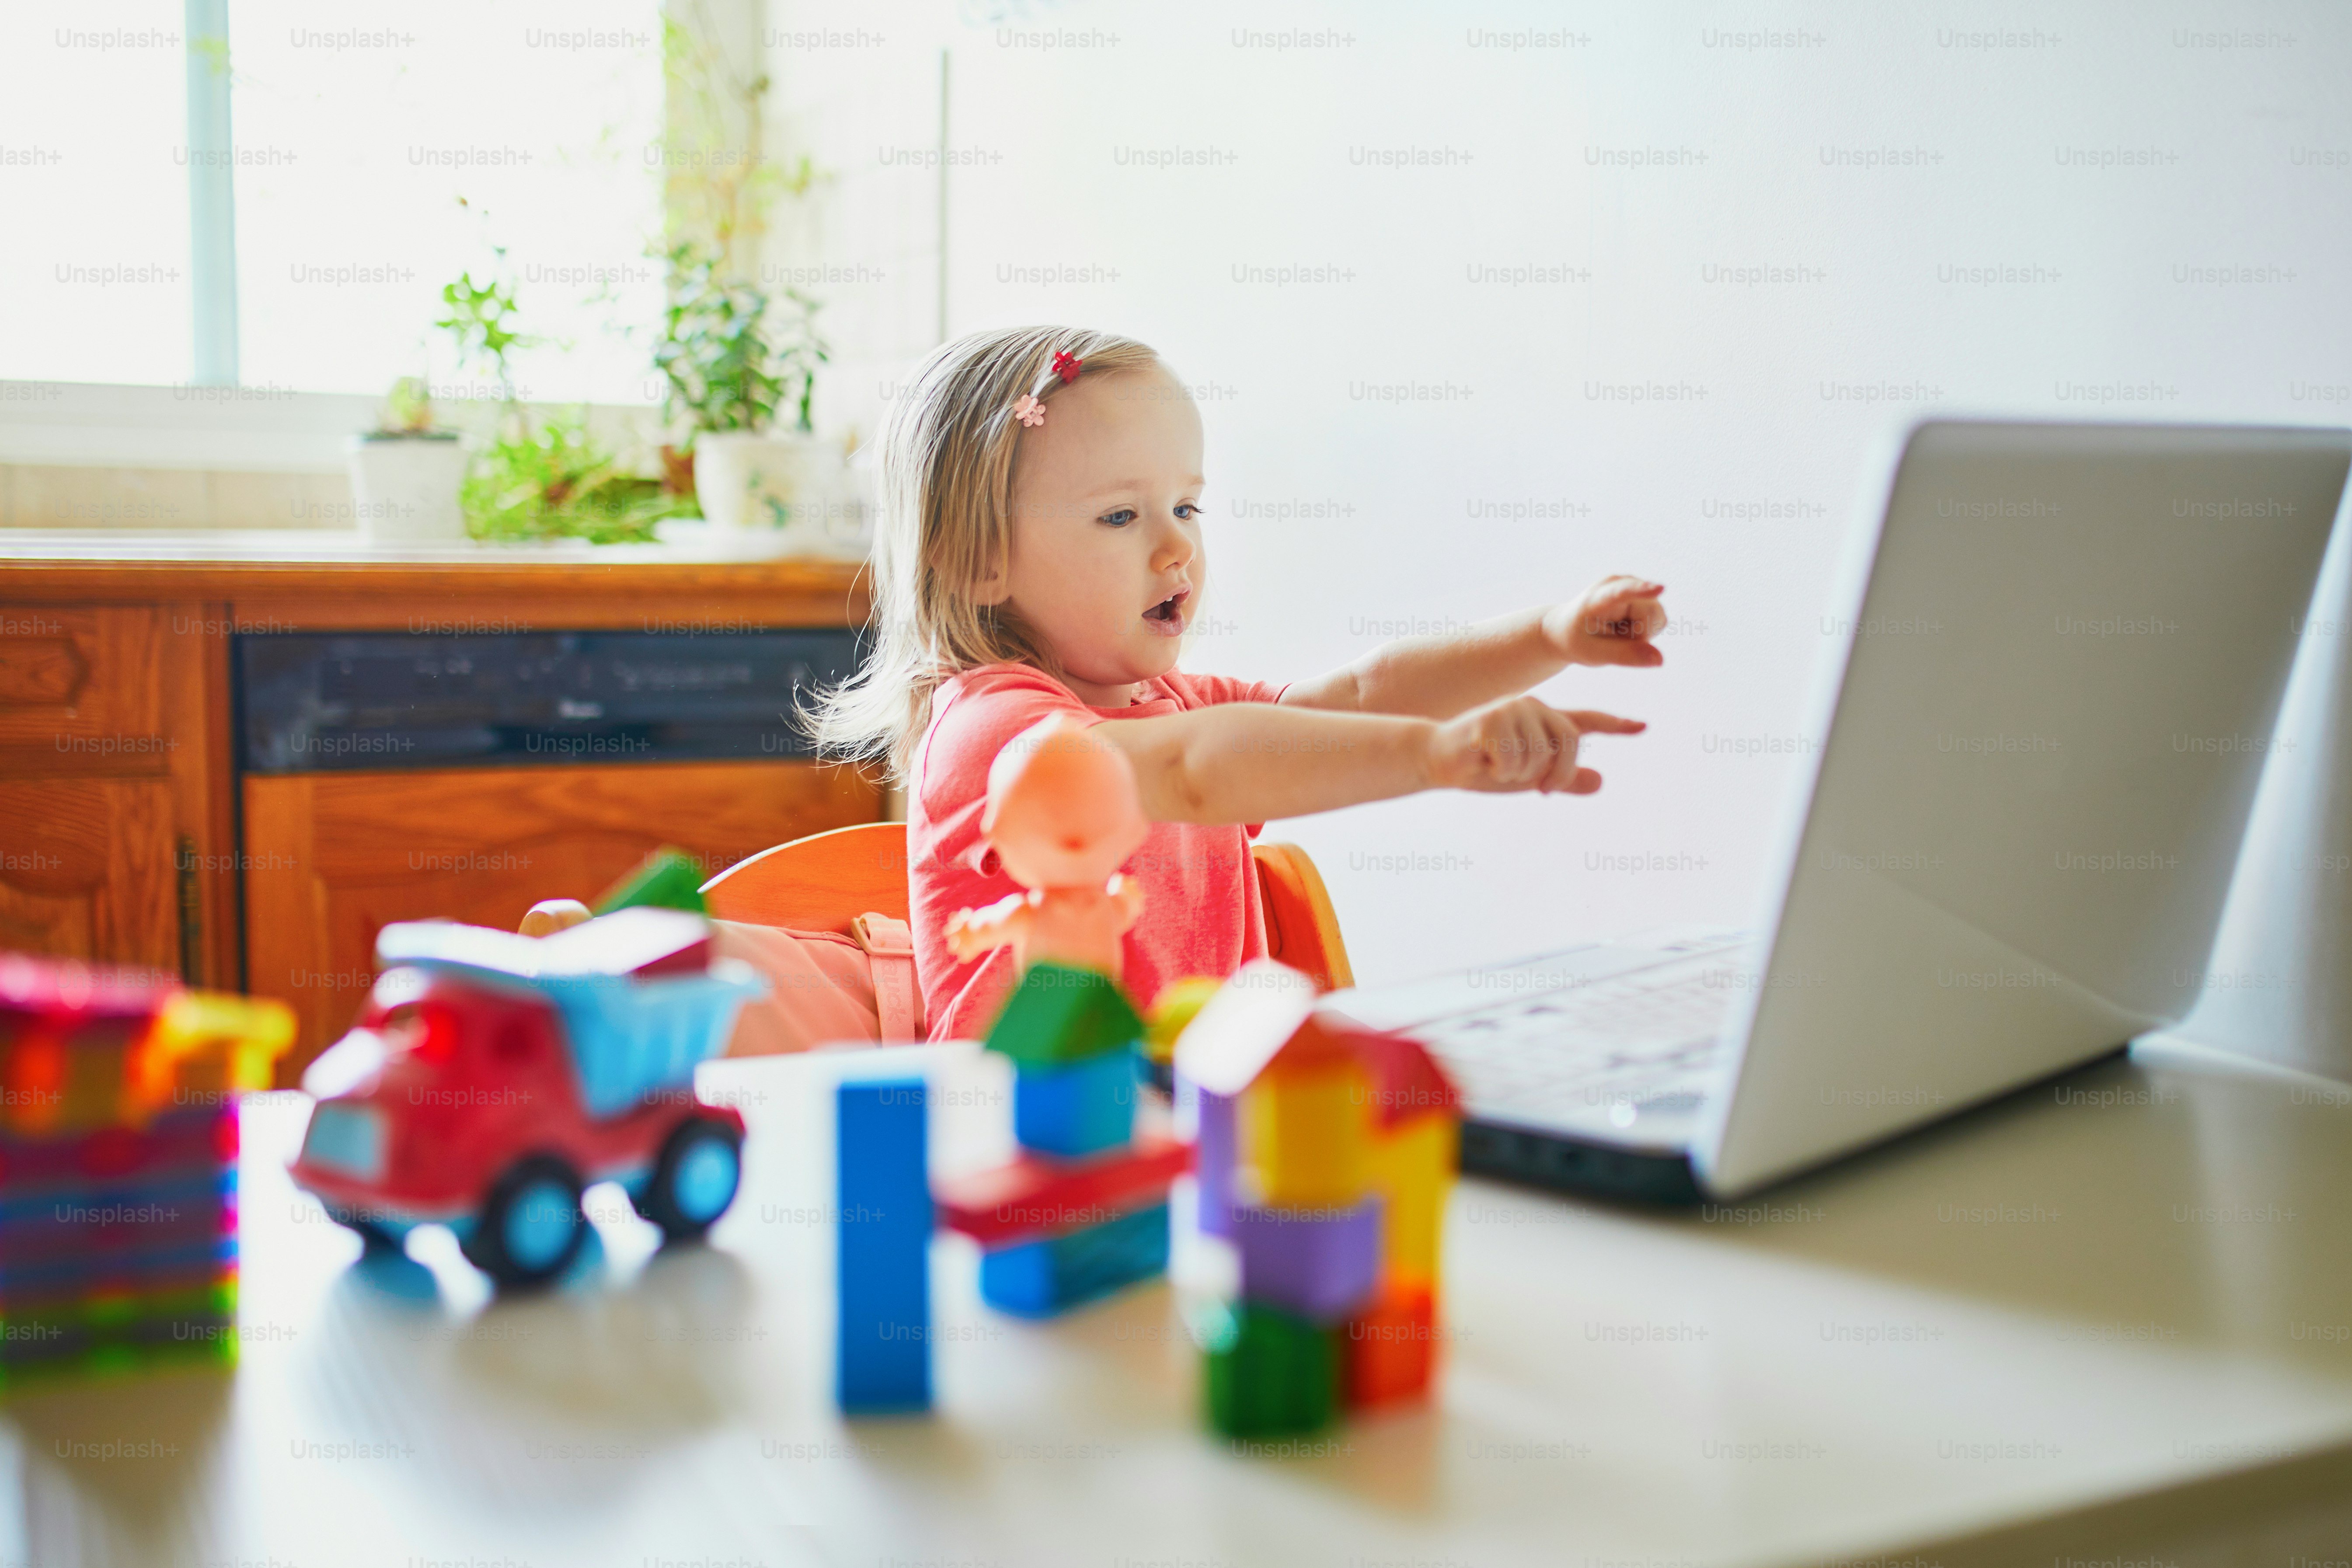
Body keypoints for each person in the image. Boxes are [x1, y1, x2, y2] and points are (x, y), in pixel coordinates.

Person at [807, 326, 1668, 1042]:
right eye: (1119, 516)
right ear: (977, 560)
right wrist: (1437, 756)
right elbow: (1189, 772)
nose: (1175, 548)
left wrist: (1549, 636)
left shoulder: (1173, 708)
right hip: (1036, 1144)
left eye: (1186, 508)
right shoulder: (994, 730)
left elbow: (1361, 696)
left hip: (1181, 1126)